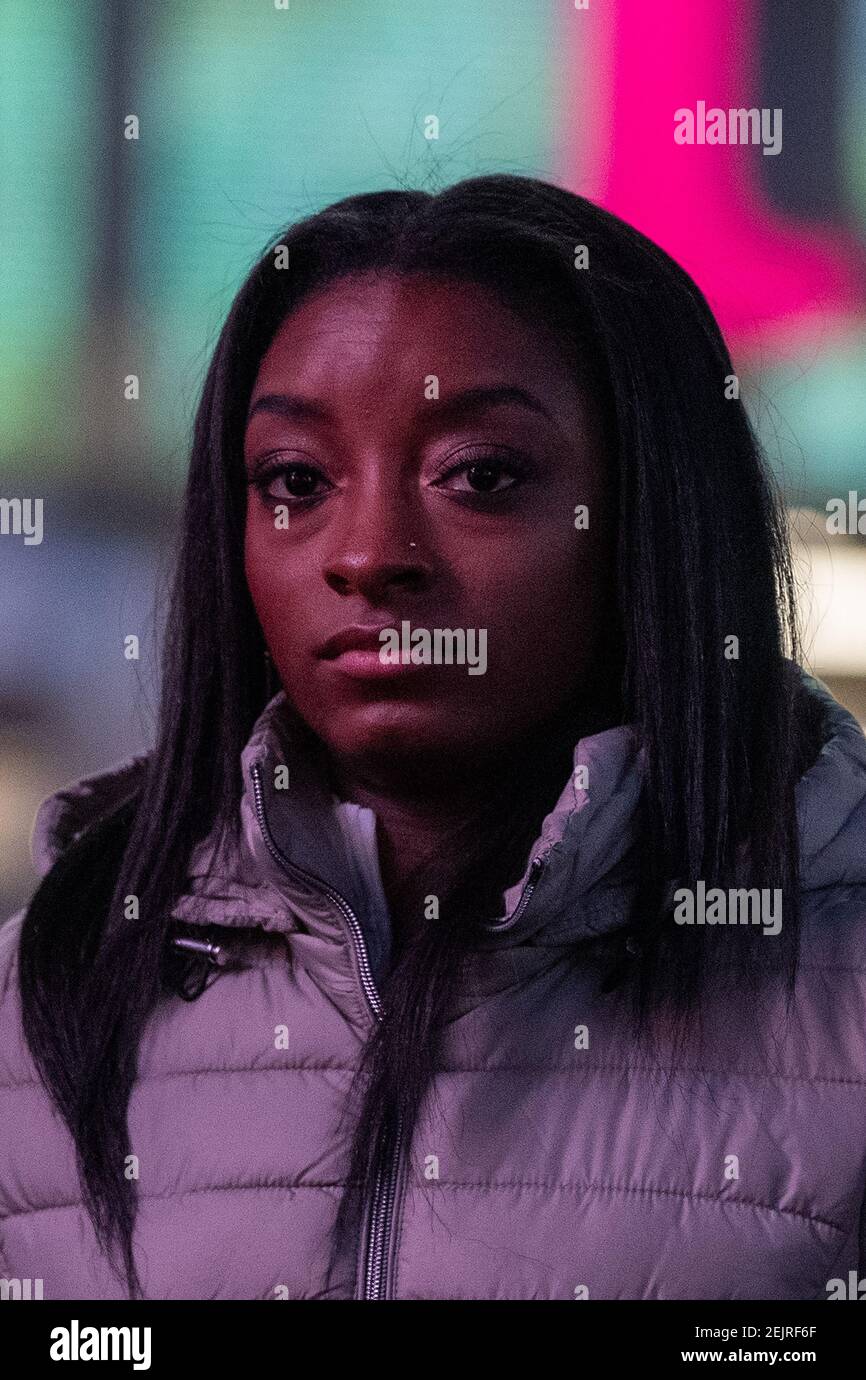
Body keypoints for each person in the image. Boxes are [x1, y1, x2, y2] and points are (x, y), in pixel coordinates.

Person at [2, 175, 865, 1301]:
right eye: (296, 481)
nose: (365, 554)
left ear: (653, 509)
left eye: (479, 475)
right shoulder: (41, 997)